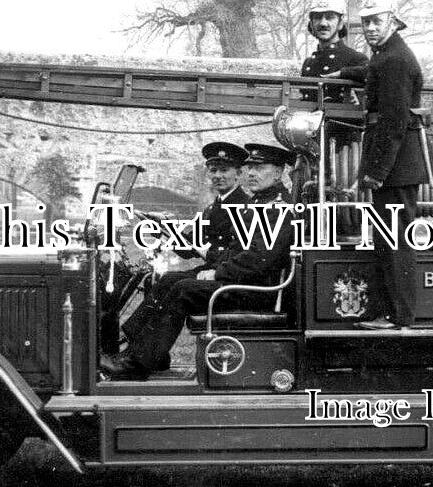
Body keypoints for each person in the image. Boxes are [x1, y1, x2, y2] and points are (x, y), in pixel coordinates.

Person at [100, 141, 295, 381]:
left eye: (260, 168)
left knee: (183, 289)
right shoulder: (259, 203)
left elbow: (257, 259)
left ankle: (137, 362)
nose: (252, 173)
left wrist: (217, 272)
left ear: (278, 173)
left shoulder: (277, 208)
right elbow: (237, 251)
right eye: (250, 168)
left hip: (256, 289)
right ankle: (144, 352)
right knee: (171, 279)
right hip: (245, 281)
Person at [332, 0, 433, 330]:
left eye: (377, 21)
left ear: (393, 21)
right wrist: (346, 71)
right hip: (397, 167)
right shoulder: (387, 56)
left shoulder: (394, 60)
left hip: (395, 168)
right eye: (366, 23)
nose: (371, 28)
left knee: (396, 243)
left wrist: (375, 173)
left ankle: (400, 316)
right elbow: (372, 71)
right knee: (387, 240)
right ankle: (390, 313)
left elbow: (393, 123)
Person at [120, 142, 250, 350]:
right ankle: (136, 341)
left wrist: (206, 252)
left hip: (227, 277)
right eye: (213, 170)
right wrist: (161, 227)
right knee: (165, 279)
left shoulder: (244, 207)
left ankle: (139, 351)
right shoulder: (213, 207)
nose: (218, 175)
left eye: (224, 170)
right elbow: (187, 248)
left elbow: (238, 254)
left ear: (238, 174)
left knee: (177, 285)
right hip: (214, 270)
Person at [300, 0, 370, 172]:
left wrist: (343, 74)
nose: (323, 23)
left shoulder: (355, 58)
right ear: (311, 23)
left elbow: (374, 72)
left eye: (329, 17)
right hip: (312, 146)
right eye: (317, 17)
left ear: (340, 23)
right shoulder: (309, 63)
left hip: (345, 149)